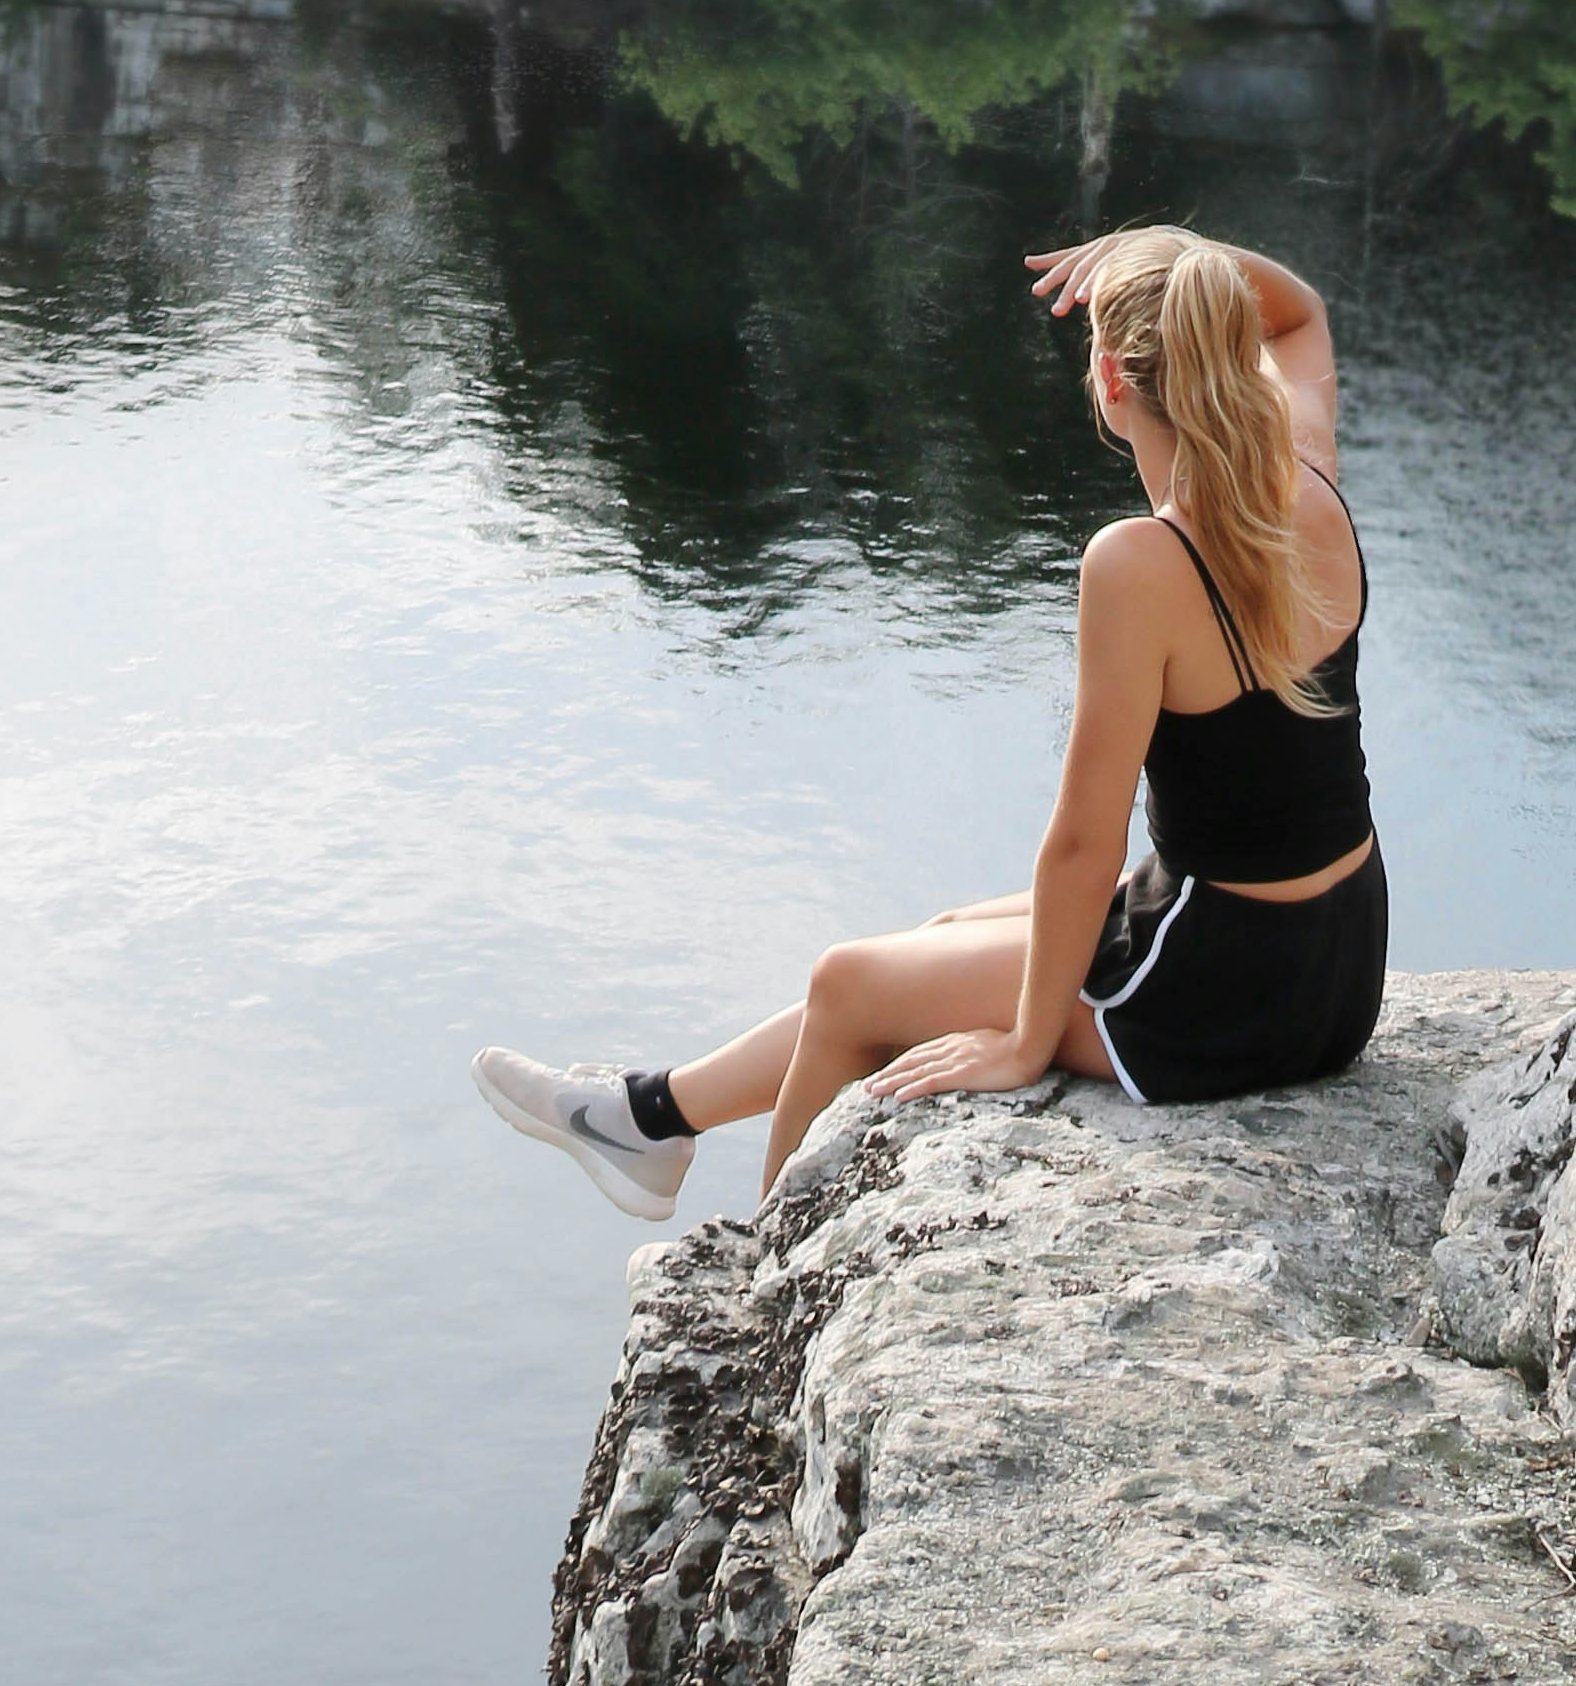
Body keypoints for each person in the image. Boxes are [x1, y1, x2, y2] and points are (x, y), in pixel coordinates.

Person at [474, 225, 1381, 1216]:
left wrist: (1025, 1043)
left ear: (1112, 381)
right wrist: (1174, 248)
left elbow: (1084, 845)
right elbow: (1301, 313)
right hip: (1339, 954)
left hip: (1229, 985)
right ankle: (650, 1117)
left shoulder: (1140, 563)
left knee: (847, 985)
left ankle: (757, 1283)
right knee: (941, 934)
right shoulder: (1305, 469)